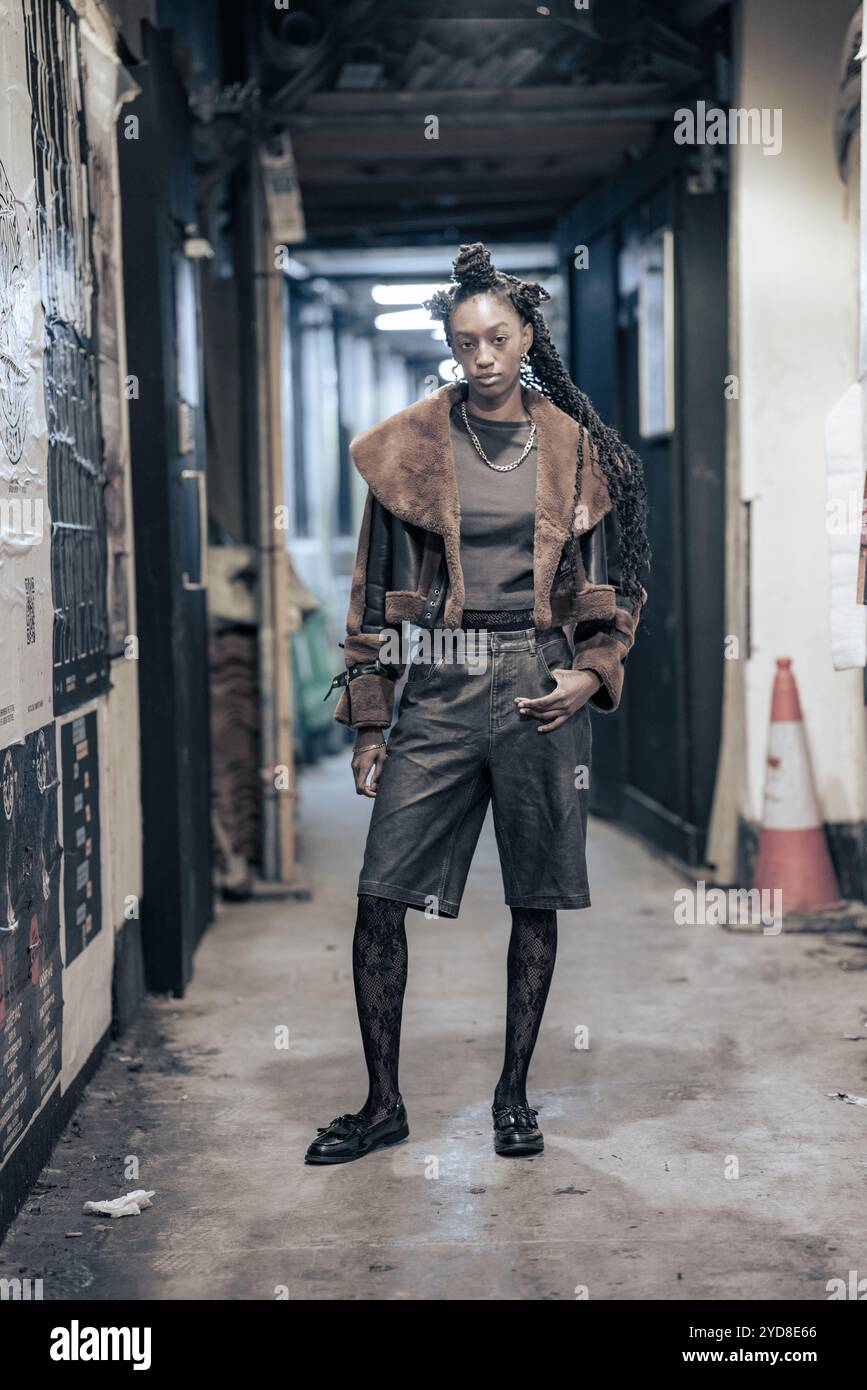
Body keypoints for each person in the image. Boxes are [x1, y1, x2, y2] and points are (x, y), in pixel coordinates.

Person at [306, 242, 650, 1164]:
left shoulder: (578, 449)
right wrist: (372, 719)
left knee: (532, 897)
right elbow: (371, 595)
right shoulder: (407, 447)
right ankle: (383, 1103)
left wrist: (592, 670)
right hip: (442, 677)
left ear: (528, 335)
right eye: (465, 343)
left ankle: (513, 1098)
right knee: (380, 893)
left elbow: (612, 587)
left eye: (499, 337)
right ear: (451, 348)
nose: (483, 356)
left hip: (540, 673)